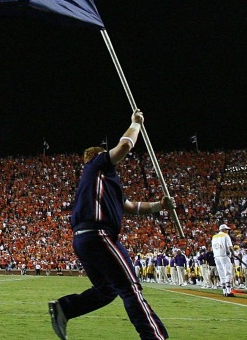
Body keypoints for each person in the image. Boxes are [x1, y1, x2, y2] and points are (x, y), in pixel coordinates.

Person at [49, 110, 174, 340]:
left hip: (84, 238)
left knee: (106, 290)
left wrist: (159, 205)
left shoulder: (102, 184)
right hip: (99, 234)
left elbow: (131, 207)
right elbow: (125, 147)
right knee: (131, 289)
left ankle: (66, 308)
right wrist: (135, 124)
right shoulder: (97, 165)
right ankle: (155, 337)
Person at [211, 224, 236, 297]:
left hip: (216, 256)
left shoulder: (214, 237)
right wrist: (233, 253)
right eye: (227, 230)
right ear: (224, 230)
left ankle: (224, 291)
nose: (227, 231)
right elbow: (230, 246)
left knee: (221, 274)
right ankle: (229, 291)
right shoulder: (225, 236)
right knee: (227, 273)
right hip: (224, 255)